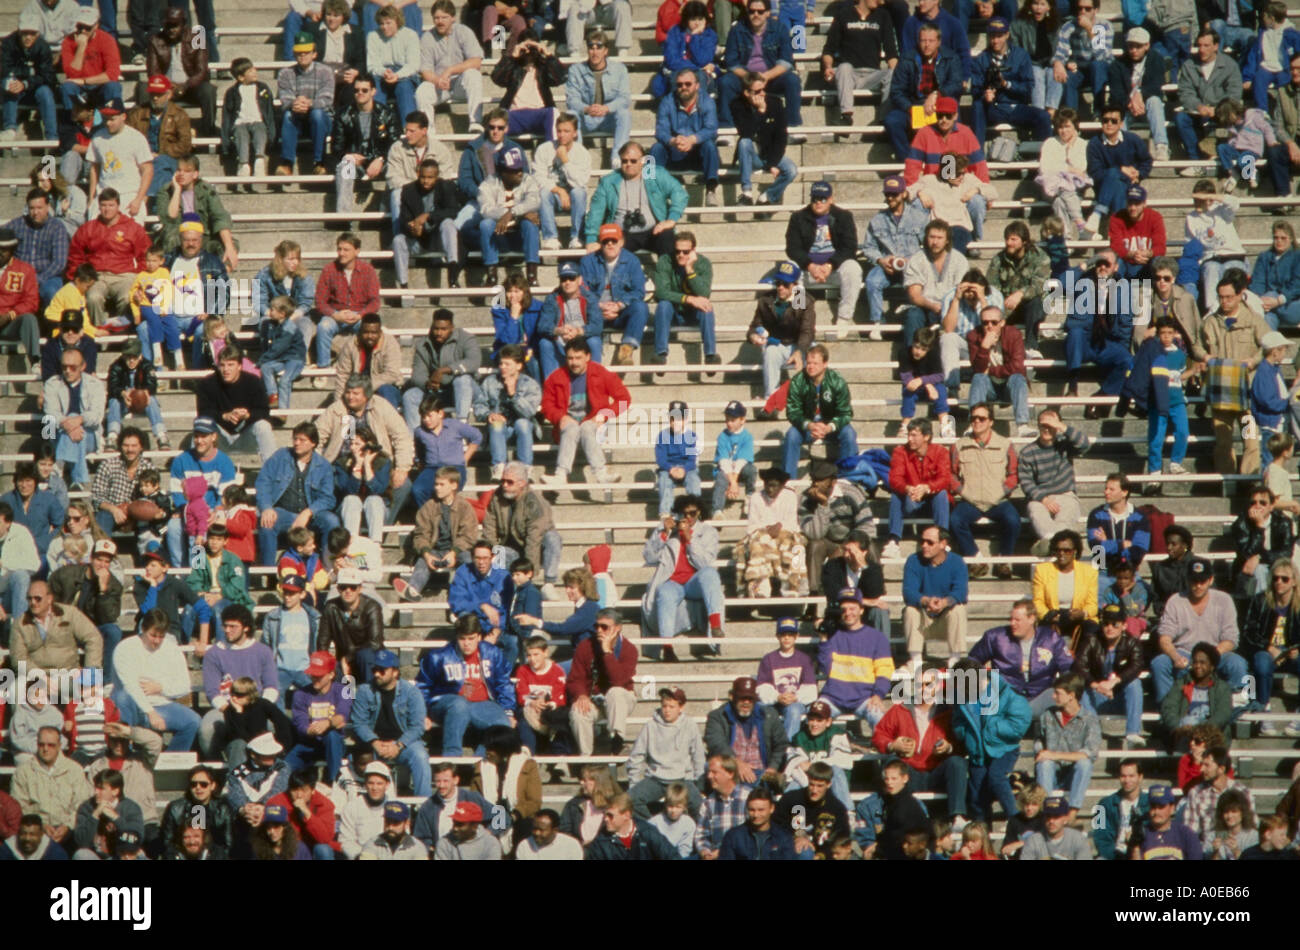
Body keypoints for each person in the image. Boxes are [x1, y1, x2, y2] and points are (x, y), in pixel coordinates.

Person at [873, 665, 969, 818]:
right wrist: (893, 745)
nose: (923, 689)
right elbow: (879, 735)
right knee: (892, 762)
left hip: (938, 771)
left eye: (928, 684)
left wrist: (949, 747)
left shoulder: (949, 711)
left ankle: (957, 817)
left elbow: (964, 743)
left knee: (957, 762)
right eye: (919, 684)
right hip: (910, 771)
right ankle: (895, 814)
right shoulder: (900, 709)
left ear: (937, 686)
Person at [1153, 557, 1248, 703]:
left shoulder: (1224, 600)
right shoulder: (1175, 600)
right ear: (1187, 580)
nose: (1198, 586)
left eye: (1202, 581)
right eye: (1194, 581)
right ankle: (1167, 706)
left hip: (1215, 652)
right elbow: (1164, 637)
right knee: (1159, 663)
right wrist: (1175, 657)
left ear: (1210, 580)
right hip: (1184, 652)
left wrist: (1211, 656)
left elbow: (1231, 639)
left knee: (1238, 663)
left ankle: (1231, 705)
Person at [642, 494, 725, 659]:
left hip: (694, 582)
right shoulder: (667, 529)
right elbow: (649, 557)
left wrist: (689, 539)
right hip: (672, 581)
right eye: (683, 513)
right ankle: (667, 646)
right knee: (665, 592)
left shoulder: (709, 532)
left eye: (692, 513)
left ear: (699, 512)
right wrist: (664, 534)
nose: (688, 517)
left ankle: (715, 626)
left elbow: (705, 563)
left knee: (710, 573)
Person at [949, 401, 1022, 576]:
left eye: (982, 418)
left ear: (991, 422)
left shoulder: (1005, 444)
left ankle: (1003, 561)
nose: (977, 422)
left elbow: (1014, 475)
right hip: (971, 501)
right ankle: (975, 558)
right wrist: (963, 492)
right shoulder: (959, 445)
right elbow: (951, 475)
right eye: (973, 418)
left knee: (1013, 520)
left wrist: (1002, 492)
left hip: (998, 501)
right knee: (955, 520)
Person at [111, 609, 200, 752]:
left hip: (161, 704)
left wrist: (161, 687)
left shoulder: (172, 650)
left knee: (193, 721)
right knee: (122, 697)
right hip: (134, 704)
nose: (157, 641)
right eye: (153, 635)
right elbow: (131, 686)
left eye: (161, 636)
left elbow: (184, 686)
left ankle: (171, 760)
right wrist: (150, 713)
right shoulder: (125, 648)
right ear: (143, 629)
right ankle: (125, 755)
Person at [253, 421, 340, 567]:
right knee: (267, 522)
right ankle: (269, 572)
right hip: (283, 512)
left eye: (302, 440)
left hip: (312, 514)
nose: (297, 443)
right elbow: (263, 482)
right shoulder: (280, 456)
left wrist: (308, 512)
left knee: (331, 521)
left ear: (313, 443)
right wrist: (266, 507)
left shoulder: (324, 466)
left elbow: (328, 498)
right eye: (295, 439)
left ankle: (328, 568)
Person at [349, 651, 431, 798]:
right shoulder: (364, 690)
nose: (377, 674)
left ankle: (423, 808)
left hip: (404, 744)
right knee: (352, 760)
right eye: (375, 670)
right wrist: (374, 742)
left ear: (395, 672)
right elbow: (359, 723)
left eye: (382, 670)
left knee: (420, 756)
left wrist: (398, 745)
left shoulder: (411, 692)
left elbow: (417, 726)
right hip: (373, 744)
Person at [784, 182, 861, 337]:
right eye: (815, 198)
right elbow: (793, 248)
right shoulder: (798, 217)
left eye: (823, 199)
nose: (819, 202)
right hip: (808, 270)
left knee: (853, 268)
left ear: (831, 199)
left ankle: (844, 318)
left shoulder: (844, 216)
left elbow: (849, 247)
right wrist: (810, 266)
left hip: (834, 270)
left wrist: (830, 265)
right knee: (791, 269)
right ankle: (798, 314)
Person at [860, 177, 928, 339]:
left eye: (894, 194)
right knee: (872, 281)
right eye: (888, 194)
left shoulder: (919, 217)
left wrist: (911, 261)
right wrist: (881, 260)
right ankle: (877, 322)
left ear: (904, 194)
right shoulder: (877, 220)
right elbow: (869, 247)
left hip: (911, 265)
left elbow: (928, 246)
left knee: (921, 278)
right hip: (887, 266)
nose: (890, 198)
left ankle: (917, 314)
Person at [886, 22, 964, 160]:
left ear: (939, 42)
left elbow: (957, 84)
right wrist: (911, 109)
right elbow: (896, 91)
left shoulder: (951, 58)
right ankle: (908, 163)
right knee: (893, 120)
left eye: (931, 41)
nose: (926, 45)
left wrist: (937, 94)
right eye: (923, 40)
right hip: (914, 105)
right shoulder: (907, 58)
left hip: (941, 105)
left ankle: (950, 170)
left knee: (954, 123)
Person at [1239, 558, 1300, 734]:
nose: (1279, 582)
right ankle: (1264, 711)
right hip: (1266, 650)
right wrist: (1268, 647)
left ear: (1294, 581)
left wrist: (1296, 649)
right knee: (1262, 663)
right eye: (1275, 578)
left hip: (1290, 652)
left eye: (1284, 579)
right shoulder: (1261, 601)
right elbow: (1248, 632)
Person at [626, 687, 706, 820]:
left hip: (682, 779)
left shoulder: (690, 725)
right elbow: (637, 756)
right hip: (656, 779)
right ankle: (653, 829)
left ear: (681, 707)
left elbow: (698, 756)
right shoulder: (650, 726)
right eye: (664, 706)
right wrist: (634, 783)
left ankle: (695, 834)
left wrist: (699, 784)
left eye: (672, 706)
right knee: (629, 800)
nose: (667, 710)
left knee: (699, 806)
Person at [568, 608, 638, 755]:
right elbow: (575, 678)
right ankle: (586, 758)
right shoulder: (585, 646)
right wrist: (581, 695)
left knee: (615, 692)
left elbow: (618, 680)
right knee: (578, 711)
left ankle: (616, 740)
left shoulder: (629, 649)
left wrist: (607, 652)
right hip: (595, 700)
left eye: (605, 627)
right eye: (596, 626)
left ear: (618, 628)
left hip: (621, 700)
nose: (599, 630)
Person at [972, 16, 1051, 144]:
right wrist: (985, 95)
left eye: (999, 36)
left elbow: (1028, 87)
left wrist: (1007, 84)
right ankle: (978, 157)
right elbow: (975, 89)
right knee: (977, 106)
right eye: (992, 36)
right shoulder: (981, 59)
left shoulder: (1021, 55)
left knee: (1043, 116)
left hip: (1017, 107)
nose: (995, 40)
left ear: (1007, 35)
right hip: (994, 108)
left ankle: (1043, 155)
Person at [9, 727, 90, 850]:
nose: (45, 749)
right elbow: (19, 805)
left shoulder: (74, 770)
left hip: (69, 832)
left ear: (59, 746)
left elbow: (81, 802)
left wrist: (68, 826)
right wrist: (41, 825)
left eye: (51, 745)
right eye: (41, 744)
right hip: (35, 833)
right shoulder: (23, 771)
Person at [820, 0, 897, 126]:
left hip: (873, 75)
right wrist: (828, 67)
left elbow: (891, 52)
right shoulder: (843, 14)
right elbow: (829, 49)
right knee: (844, 67)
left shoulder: (883, 15)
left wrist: (895, 71)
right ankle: (846, 116)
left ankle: (884, 119)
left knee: (893, 73)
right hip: (849, 75)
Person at [330, 76, 397, 218]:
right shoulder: (343, 114)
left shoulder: (386, 113)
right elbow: (336, 147)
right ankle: (343, 216)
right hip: (355, 163)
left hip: (381, 161)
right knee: (345, 166)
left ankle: (384, 212)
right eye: (356, 90)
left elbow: (395, 144)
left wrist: (381, 159)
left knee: (395, 166)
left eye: (364, 90)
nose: (359, 93)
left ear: (373, 91)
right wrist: (349, 155)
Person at [1175, 28, 1243, 167]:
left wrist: (1217, 109)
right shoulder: (1189, 65)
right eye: (1199, 45)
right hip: (1199, 112)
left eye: (1206, 45)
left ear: (1216, 46)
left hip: (1223, 112)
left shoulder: (1230, 65)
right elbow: (1185, 93)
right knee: (1181, 118)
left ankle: (1232, 158)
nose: (1201, 49)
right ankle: (1195, 161)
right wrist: (1199, 106)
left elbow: (1234, 94)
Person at [393, 158, 462, 295]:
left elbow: (453, 211)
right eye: (423, 177)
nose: (426, 181)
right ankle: (403, 286)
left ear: (437, 176)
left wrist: (428, 215)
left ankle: (453, 276)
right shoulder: (408, 190)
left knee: (448, 224)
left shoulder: (446, 186)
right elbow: (403, 219)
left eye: (430, 177)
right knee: (398, 240)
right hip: (419, 240)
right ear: (418, 174)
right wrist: (412, 228)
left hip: (439, 240)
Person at [749, 261, 816, 400]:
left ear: (795, 285)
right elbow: (755, 325)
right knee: (770, 352)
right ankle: (771, 398)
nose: (780, 287)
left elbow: (807, 331)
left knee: (816, 354)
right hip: (778, 344)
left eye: (786, 284)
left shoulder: (800, 298)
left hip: (798, 344)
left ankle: (815, 398)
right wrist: (753, 336)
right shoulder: (767, 299)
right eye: (778, 282)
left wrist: (800, 350)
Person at [313, 233, 381, 369]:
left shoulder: (368, 270)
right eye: (339, 249)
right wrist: (335, 314)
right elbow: (320, 301)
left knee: (371, 327)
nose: (341, 253)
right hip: (336, 314)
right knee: (324, 326)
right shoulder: (329, 269)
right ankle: (323, 367)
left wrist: (360, 315)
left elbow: (375, 302)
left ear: (357, 251)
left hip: (359, 314)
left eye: (346, 250)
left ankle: (366, 366)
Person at [416, 0, 485, 132]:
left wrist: (451, 70)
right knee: (422, 91)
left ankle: (475, 122)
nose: (440, 21)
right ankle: (428, 131)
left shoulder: (464, 32)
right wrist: (437, 80)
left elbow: (476, 61)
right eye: (436, 18)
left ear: (453, 18)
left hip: (461, 84)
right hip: (439, 86)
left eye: (444, 17)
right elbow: (425, 71)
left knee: (473, 74)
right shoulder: (427, 37)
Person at [277, 32, 335, 176]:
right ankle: (287, 163)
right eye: (298, 52)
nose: (302, 55)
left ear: (314, 54)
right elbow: (285, 100)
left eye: (306, 52)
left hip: (321, 119)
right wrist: (295, 103)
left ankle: (319, 161)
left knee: (318, 114)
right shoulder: (285, 73)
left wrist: (308, 103)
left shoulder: (326, 72)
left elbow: (326, 100)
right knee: (288, 115)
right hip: (298, 118)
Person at [564, 29, 630, 152]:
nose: (595, 52)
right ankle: (576, 157)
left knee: (624, 114)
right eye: (591, 47)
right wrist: (587, 109)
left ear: (606, 50)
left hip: (608, 118)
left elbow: (624, 99)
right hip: (586, 119)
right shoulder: (575, 70)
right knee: (572, 114)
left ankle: (617, 159)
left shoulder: (620, 69)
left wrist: (606, 108)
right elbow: (572, 100)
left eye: (599, 47)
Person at [319, 567, 385, 685]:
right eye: (343, 587)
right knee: (331, 666)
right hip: (343, 659)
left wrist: (348, 658)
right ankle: (343, 701)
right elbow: (322, 642)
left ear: (360, 589)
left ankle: (370, 698)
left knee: (365, 656)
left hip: (369, 660)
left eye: (353, 587)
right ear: (338, 589)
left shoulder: (372, 607)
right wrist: (328, 663)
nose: (348, 591)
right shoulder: (330, 607)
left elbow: (375, 642)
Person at [1229, 484, 1294, 601]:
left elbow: (1286, 553)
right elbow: (1247, 555)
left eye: (1263, 503)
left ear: (1271, 506)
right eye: (1253, 503)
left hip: (1277, 565)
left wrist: (1260, 556)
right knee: (1259, 570)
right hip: (1249, 571)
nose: (1257, 506)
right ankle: (1263, 610)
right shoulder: (1241, 524)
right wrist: (1259, 528)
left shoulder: (1283, 522)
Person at [0, 14, 58, 142]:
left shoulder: (43, 47)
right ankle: (9, 127)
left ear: (37, 34)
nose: (28, 37)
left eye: (32, 33)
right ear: (19, 31)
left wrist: (26, 83)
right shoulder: (9, 43)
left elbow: (47, 76)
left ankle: (52, 136)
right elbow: (5, 69)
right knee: (8, 83)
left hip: (34, 88)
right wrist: (29, 73)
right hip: (15, 87)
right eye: (25, 33)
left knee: (45, 92)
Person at [221, 58, 276, 183]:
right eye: (250, 70)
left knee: (260, 129)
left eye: (254, 68)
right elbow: (227, 117)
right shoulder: (231, 92)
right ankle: (243, 164)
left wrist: (272, 135)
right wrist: (225, 144)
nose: (255, 71)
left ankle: (259, 160)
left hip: (258, 121)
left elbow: (270, 112)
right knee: (241, 133)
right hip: (240, 123)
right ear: (240, 77)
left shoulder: (263, 88)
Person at [104, 338, 166, 448]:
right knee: (114, 401)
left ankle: (161, 435)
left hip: (140, 402)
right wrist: (122, 393)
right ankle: (112, 436)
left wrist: (145, 392)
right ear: (123, 356)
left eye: (134, 357)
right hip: (123, 403)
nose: (131, 360)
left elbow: (152, 384)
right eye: (128, 357)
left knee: (151, 400)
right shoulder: (116, 366)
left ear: (140, 356)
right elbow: (112, 387)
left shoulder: (146, 365)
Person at [59, 7, 121, 113]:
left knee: (113, 86)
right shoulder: (68, 41)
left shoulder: (107, 40)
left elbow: (112, 74)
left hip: (99, 85)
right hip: (78, 86)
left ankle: (110, 120)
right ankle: (73, 126)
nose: (83, 31)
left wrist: (84, 81)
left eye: (87, 27)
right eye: (79, 26)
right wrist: (81, 48)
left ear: (96, 25)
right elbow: (72, 73)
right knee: (67, 87)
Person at [584, 793, 679, 860]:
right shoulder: (601, 843)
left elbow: (671, 855)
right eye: (605, 815)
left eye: (610, 815)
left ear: (626, 815)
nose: (605, 819)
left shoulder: (647, 832)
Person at [718, 786, 797, 860]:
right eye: (752, 810)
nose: (756, 815)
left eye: (761, 810)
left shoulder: (783, 837)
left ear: (771, 809)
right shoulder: (734, 836)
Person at [1250, 222, 1300, 329]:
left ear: (1291, 239)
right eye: (1276, 238)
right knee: (1268, 317)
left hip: (1292, 304)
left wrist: (1278, 301)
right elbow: (1258, 283)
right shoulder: (1264, 257)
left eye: (1283, 238)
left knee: (1269, 298)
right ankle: (1271, 344)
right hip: (1269, 305)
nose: (1279, 241)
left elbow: (1296, 285)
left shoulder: (1297, 256)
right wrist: (1261, 299)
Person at [1020, 792, 1093, 859]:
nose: (1051, 821)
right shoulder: (1033, 840)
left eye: (1056, 817)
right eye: (1048, 816)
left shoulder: (1078, 839)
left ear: (1066, 818)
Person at [359, 800, 429, 860]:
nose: (390, 827)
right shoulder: (372, 844)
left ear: (407, 823)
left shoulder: (417, 847)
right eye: (388, 822)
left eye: (396, 823)